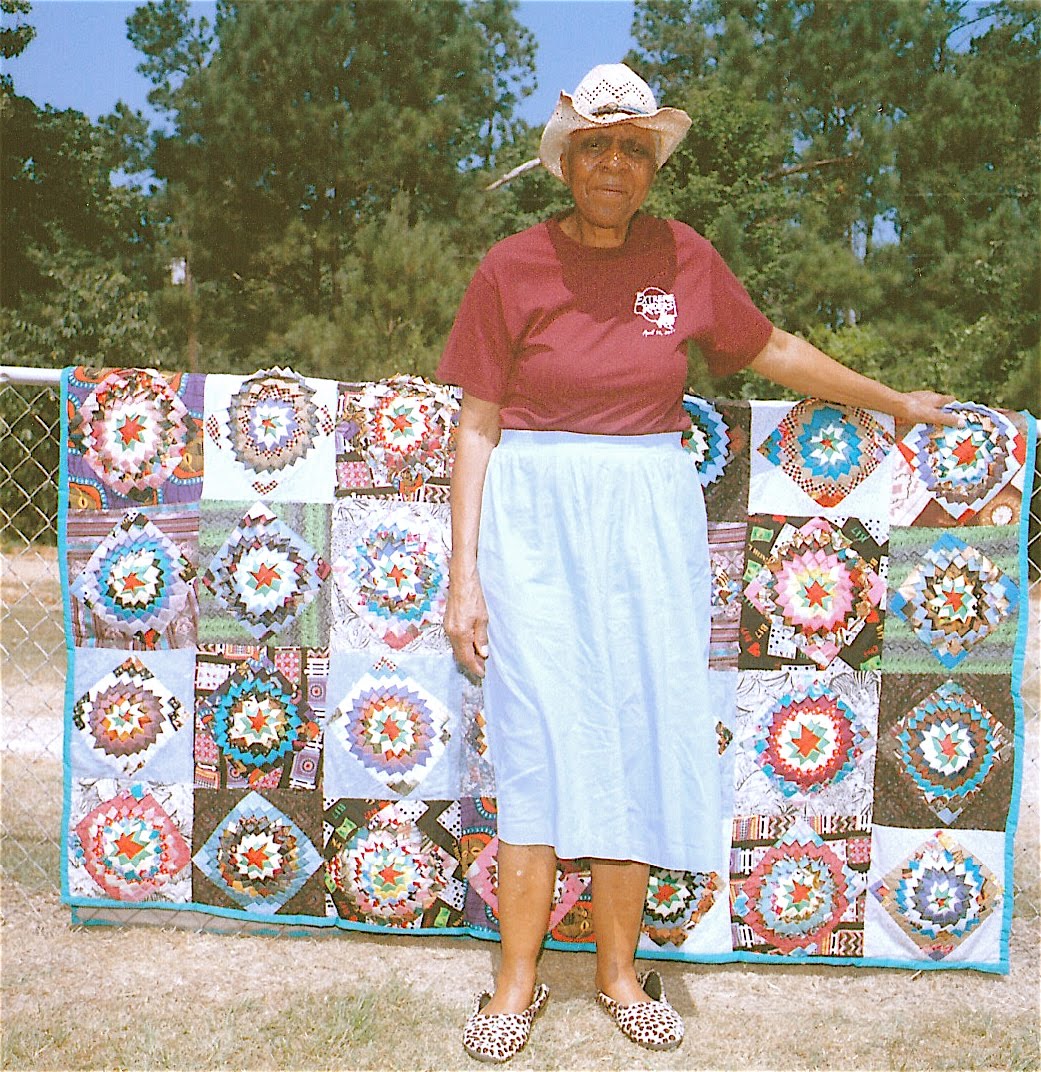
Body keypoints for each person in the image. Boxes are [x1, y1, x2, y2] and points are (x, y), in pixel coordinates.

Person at [436, 63, 958, 1063]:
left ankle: (621, 975)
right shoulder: (510, 266)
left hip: (648, 513)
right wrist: (463, 576)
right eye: (598, 145)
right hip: (534, 517)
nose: (615, 163)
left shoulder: (684, 257)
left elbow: (776, 349)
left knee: (634, 729)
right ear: (568, 158)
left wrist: (894, 401)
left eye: (635, 147)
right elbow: (476, 423)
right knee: (539, 739)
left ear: (651, 166)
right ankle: (514, 982)